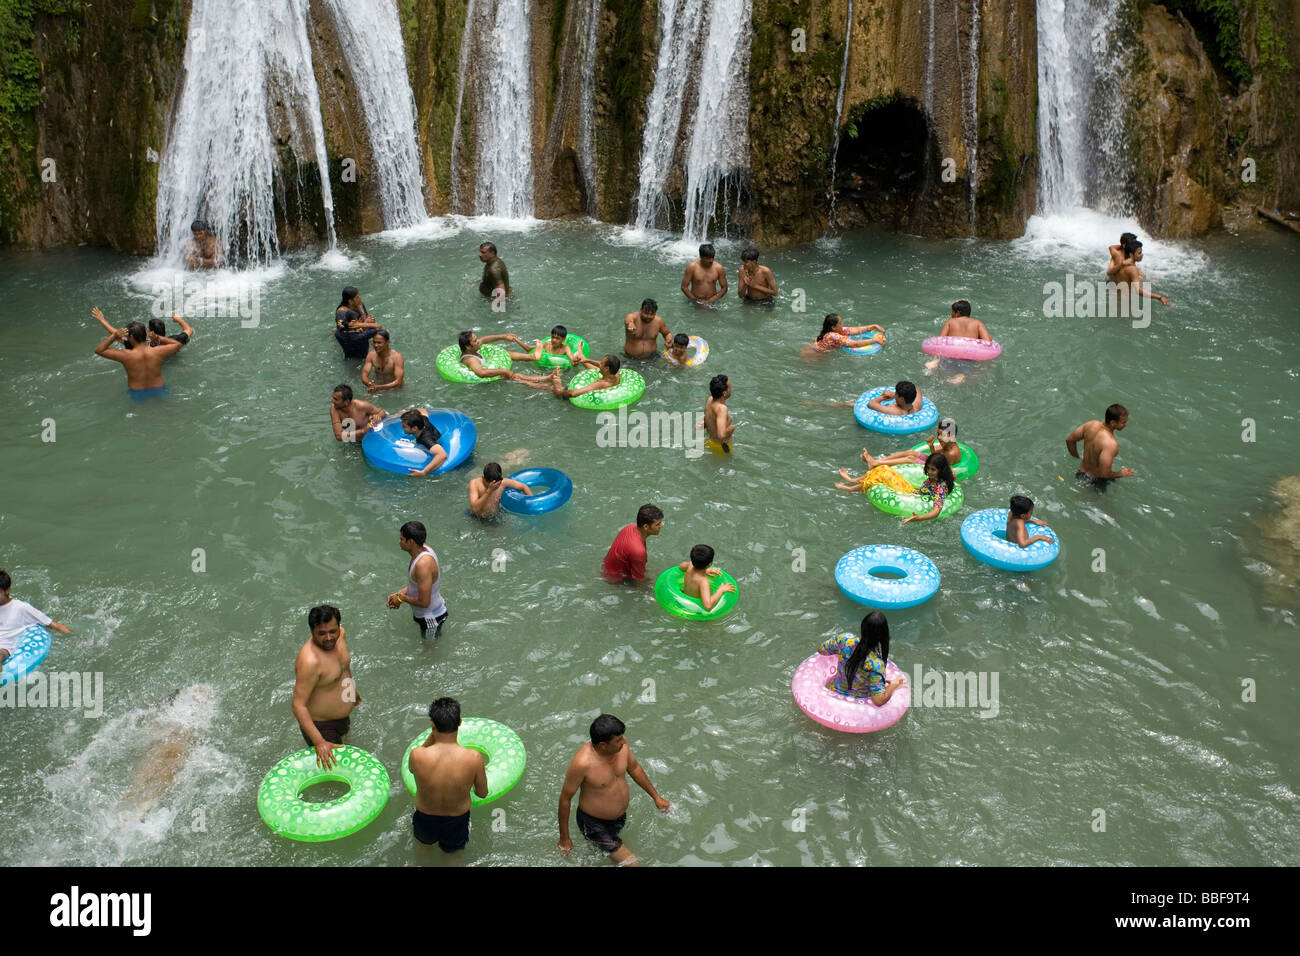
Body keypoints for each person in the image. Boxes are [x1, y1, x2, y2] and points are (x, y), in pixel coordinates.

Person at [557, 714, 671, 866]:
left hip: (617, 819)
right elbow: (565, 798)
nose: (623, 742)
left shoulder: (621, 747)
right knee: (632, 863)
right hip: (593, 824)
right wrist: (564, 838)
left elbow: (635, 768)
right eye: (618, 740)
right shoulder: (582, 764)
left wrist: (656, 797)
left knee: (598, 855)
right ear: (603, 745)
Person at [117, 684, 216, 819]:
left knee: (154, 765)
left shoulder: (167, 712)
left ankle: (130, 803)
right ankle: (144, 803)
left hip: (161, 740)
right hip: (172, 742)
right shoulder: (189, 723)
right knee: (174, 753)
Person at [408, 697, 488, 852]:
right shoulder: (473, 758)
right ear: (460, 721)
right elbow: (483, 794)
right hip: (456, 821)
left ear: (432, 725)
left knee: (423, 850)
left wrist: (432, 736)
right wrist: (470, 777)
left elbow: (412, 770)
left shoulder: (417, 755)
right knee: (452, 856)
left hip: (425, 818)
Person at [291, 605, 359, 770]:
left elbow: (344, 668)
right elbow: (297, 705)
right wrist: (319, 741)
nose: (329, 638)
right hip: (322, 727)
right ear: (312, 631)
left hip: (341, 718)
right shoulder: (310, 662)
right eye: (321, 633)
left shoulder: (340, 634)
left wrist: (351, 693)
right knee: (339, 771)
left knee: (347, 759)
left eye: (332, 631)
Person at [817, 612, 904, 704]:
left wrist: (841, 650)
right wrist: (893, 685)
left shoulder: (844, 640)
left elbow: (821, 650)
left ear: (862, 627)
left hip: (833, 696)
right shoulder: (876, 664)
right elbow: (878, 701)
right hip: (858, 705)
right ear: (883, 636)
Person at [91, 309, 181, 396]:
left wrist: (114, 336)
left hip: (138, 392)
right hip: (159, 389)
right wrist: (158, 337)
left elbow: (99, 350)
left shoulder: (125, 355)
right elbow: (177, 344)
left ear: (131, 337)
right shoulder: (158, 350)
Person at [0, 569, 72, 670]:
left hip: (5, 649)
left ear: (7, 590)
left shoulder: (21, 607)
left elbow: (51, 624)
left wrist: (75, 636)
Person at [387, 521, 448, 638]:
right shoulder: (425, 548)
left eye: (401, 539)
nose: (399, 541)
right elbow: (417, 584)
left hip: (431, 618)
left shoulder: (422, 565)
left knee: (430, 653)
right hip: (431, 613)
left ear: (411, 542)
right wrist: (399, 594)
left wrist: (401, 598)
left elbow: (424, 602)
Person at [457, 330, 558, 388]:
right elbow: (481, 373)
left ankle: (542, 371)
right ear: (468, 347)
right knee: (516, 377)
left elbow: (484, 339)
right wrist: (503, 371)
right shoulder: (470, 359)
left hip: (491, 367)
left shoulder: (473, 347)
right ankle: (549, 387)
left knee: (507, 356)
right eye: (475, 341)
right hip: (489, 382)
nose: (479, 341)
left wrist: (504, 336)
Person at [857, 418, 963, 471]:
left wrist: (931, 449)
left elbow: (939, 468)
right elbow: (936, 456)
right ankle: (877, 461)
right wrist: (931, 446)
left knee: (910, 458)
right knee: (910, 452)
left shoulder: (951, 453)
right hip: (937, 462)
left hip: (937, 468)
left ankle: (875, 464)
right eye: (938, 434)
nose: (939, 438)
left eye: (943, 435)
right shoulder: (947, 444)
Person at [1066, 404, 1134, 485]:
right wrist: (1121, 473)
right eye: (1123, 422)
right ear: (1113, 422)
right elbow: (1104, 475)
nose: (1126, 424)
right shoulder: (1110, 444)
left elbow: (1069, 440)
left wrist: (1076, 457)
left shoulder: (1091, 424)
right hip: (1095, 481)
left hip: (1081, 473)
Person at [602, 504, 664, 583]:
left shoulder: (630, 527)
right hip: (615, 580)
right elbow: (639, 581)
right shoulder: (638, 551)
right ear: (646, 527)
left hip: (607, 569)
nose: (661, 526)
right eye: (658, 524)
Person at [1106, 236, 1171, 307]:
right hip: (1126, 304)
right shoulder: (1132, 269)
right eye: (1139, 253)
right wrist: (1159, 297)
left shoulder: (1120, 265)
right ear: (1131, 255)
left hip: (1116, 300)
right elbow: (1138, 290)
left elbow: (1110, 273)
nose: (1142, 255)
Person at [676, 544, 736, 612]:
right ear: (710, 564)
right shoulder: (703, 581)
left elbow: (681, 566)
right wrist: (721, 590)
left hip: (683, 599)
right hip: (694, 609)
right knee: (730, 610)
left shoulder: (689, 566)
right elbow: (708, 606)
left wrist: (705, 571)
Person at [900, 453, 957, 523]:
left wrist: (919, 518)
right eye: (928, 468)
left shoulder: (940, 488)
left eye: (933, 469)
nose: (929, 471)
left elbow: (936, 512)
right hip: (924, 494)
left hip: (926, 509)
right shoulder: (933, 479)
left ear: (941, 470)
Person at [399, 409, 449, 476]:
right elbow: (423, 411)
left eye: (404, 426)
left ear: (414, 428)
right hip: (433, 434)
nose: (401, 427)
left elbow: (442, 455)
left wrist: (424, 472)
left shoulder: (425, 439)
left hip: (433, 440)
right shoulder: (423, 420)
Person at [505, 324, 584, 366]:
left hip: (560, 368)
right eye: (553, 337)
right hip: (544, 366)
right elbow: (529, 349)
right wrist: (516, 340)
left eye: (557, 338)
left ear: (563, 339)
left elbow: (572, 359)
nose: (554, 340)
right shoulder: (547, 344)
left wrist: (576, 360)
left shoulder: (566, 348)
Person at [805, 314, 884, 355]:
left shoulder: (838, 330)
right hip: (813, 355)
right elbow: (855, 344)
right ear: (834, 327)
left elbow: (856, 330)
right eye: (840, 323)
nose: (842, 324)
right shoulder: (833, 336)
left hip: (815, 350)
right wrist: (874, 340)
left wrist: (874, 325)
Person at [554, 354, 621, 399]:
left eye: (601, 363)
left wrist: (560, 392)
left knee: (553, 387)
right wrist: (588, 360)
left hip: (575, 397)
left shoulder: (601, 384)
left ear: (606, 368)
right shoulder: (616, 374)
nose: (599, 363)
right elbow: (600, 364)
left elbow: (573, 394)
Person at [704, 374, 734, 453]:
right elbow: (721, 435)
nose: (731, 389)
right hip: (721, 448)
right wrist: (731, 429)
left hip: (709, 442)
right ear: (724, 393)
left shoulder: (710, 400)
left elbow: (706, 421)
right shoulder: (722, 409)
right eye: (730, 387)